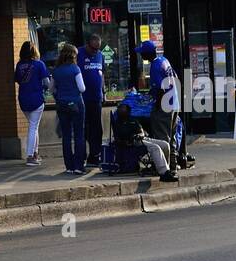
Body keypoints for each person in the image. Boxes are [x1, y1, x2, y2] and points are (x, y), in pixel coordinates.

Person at [111, 101, 178, 183]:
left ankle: (165, 169)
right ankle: (163, 173)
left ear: (128, 110)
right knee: (155, 147)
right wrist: (126, 141)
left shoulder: (133, 120)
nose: (121, 109)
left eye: (123, 107)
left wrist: (140, 135)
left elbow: (141, 131)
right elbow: (117, 138)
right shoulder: (118, 123)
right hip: (133, 141)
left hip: (142, 138)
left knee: (165, 144)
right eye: (120, 108)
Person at [51, 43, 87, 175]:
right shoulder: (75, 69)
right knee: (79, 135)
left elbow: (51, 89)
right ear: (73, 55)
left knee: (66, 136)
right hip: (76, 104)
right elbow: (82, 88)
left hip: (61, 105)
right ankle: (78, 166)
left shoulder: (56, 70)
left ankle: (69, 166)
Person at [14, 42, 51, 166]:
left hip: (23, 99)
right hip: (36, 99)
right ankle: (30, 156)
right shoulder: (39, 64)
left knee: (33, 126)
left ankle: (35, 153)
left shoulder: (19, 65)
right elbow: (47, 83)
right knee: (33, 127)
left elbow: (18, 80)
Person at [78, 35, 106, 167]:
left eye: (97, 49)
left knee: (96, 128)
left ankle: (94, 155)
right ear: (87, 44)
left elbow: (102, 74)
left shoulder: (100, 55)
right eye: (93, 49)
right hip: (82, 98)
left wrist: (104, 92)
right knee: (84, 128)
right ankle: (81, 155)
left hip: (96, 97)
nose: (95, 51)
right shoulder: (79, 53)